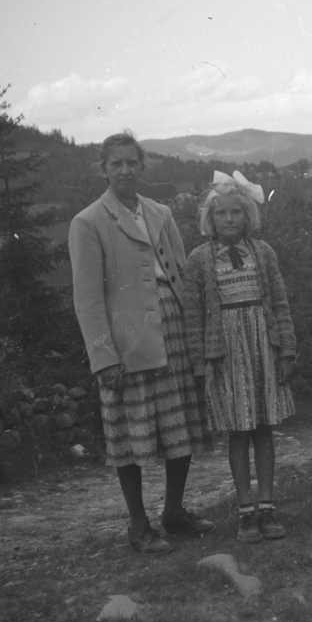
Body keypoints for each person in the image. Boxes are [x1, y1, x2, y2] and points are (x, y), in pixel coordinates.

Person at [69, 132, 215, 554]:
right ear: (104, 168)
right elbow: (88, 299)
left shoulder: (161, 212)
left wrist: (196, 332)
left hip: (173, 327)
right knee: (130, 435)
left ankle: (174, 512)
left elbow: (182, 274)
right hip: (127, 340)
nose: (125, 170)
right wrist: (102, 355)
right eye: (116, 163)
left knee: (180, 424)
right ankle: (138, 525)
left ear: (142, 166)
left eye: (132, 162)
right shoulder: (88, 222)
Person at [185, 171, 297, 543]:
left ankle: (267, 508)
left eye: (236, 212)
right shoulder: (200, 259)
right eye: (221, 214)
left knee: (264, 428)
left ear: (248, 216)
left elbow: (279, 303)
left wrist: (286, 350)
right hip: (227, 354)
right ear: (209, 219)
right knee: (239, 431)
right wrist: (200, 362)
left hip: (262, 346)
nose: (229, 219)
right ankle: (245, 511)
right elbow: (194, 313)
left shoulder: (263, 253)